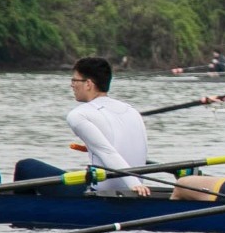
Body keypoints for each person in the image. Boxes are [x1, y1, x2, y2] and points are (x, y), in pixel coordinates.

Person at [14, 57, 151, 197]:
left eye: (75, 80)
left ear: (88, 84)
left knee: (25, 167)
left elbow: (107, 152)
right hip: (132, 189)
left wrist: (135, 184)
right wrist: (135, 184)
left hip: (101, 193)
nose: (72, 85)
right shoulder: (132, 111)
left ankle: (24, 215)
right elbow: (135, 150)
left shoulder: (78, 114)